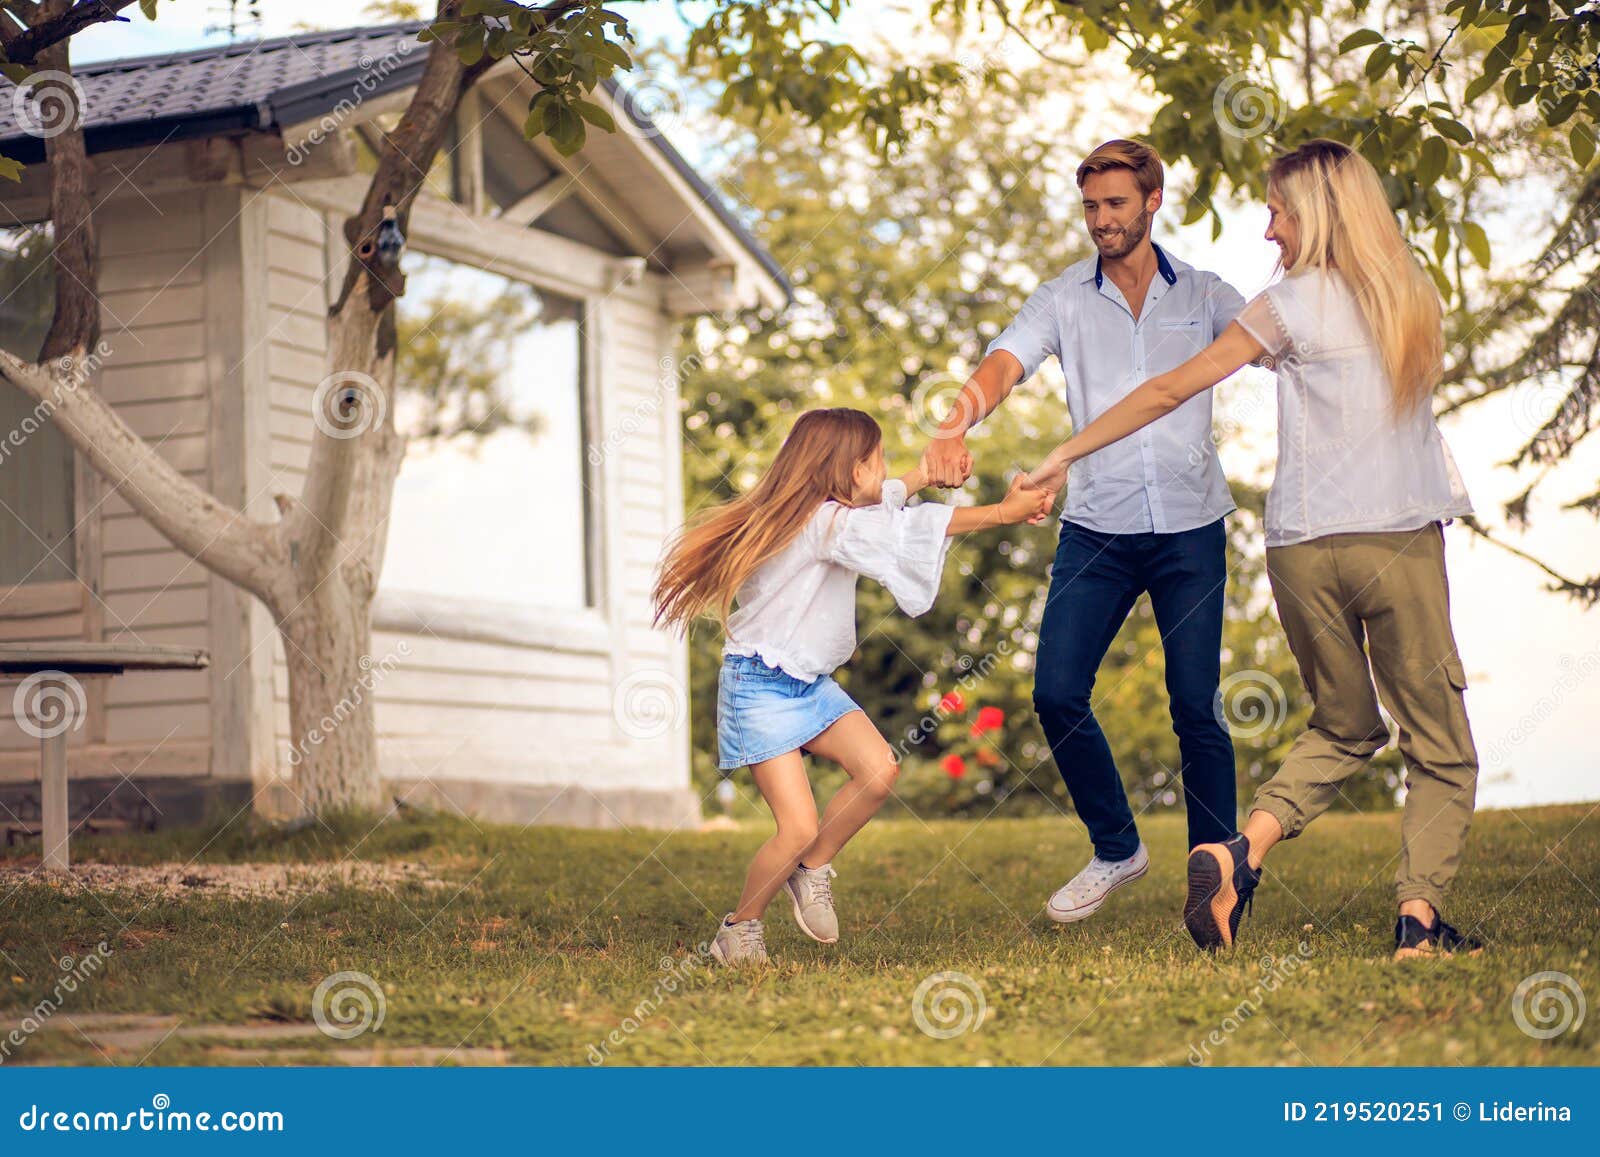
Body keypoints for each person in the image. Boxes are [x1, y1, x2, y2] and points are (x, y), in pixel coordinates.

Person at [1027, 139, 1480, 961]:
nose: (1270, 230)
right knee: (1441, 744)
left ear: (1319, 214)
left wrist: (1065, 451)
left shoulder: (1284, 306)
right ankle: (1418, 923)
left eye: (1278, 213)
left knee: (1344, 724)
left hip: (1301, 551)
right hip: (1396, 541)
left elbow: (1169, 387)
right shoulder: (1411, 294)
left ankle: (1242, 852)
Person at [921, 139, 1249, 924]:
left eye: (1116, 204)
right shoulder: (1063, 297)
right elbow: (1004, 363)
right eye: (1091, 206)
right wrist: (954, 422)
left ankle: (1218, 884)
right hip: (1098, 526)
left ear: (1152, 201)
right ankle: (1116, 846)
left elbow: (1272, 343)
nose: (1102, 220)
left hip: (1191, 526)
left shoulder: (1204, 294)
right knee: (1057, 690)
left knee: (1195, 705)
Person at [652, 407, 1053, 965]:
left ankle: (811, 869)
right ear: (850, 470)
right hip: (759, 686)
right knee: (796, 828)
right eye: (878, 460)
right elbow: (900, 528)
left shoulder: (822, 515)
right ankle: (739, 930)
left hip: (807, 684)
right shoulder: (825, 525)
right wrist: (1003, 514)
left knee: (878, 770)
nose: (884, 470)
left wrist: (921, 476)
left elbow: (882, 502)